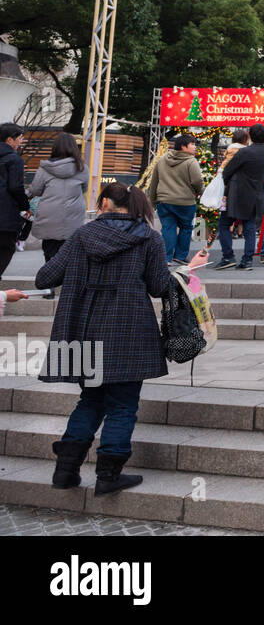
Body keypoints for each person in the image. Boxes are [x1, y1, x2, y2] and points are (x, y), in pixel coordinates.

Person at [31, 182, 208, 494]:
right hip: (130, 330)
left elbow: (45, 278)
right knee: (123, 405)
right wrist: (186, 271)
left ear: (104, 204)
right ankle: (109, 476)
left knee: (90, 399)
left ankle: (65, 470)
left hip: (83, 328)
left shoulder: (84, 235)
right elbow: (157, 286)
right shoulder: (149, 238)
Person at [28, 132, 91, 268]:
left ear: (55, 148)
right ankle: (67, 283)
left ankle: (50, 282)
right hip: (73, 214)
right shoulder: (82, 168)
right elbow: (84, 189)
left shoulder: (45, 168)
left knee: (50, 250)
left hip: (49, 214)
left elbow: (36, 190)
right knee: (69, 251)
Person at [215, 123, 264, 270]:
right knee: (249, 227)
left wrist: (228, 183)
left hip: (237, 192)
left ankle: (228, 256)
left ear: (250, 135)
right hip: (256, 193)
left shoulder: (245, 152)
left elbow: (227, 171)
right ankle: (247, 260)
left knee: (224, 224)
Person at [147, 134, 203, 265]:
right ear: (184, 146)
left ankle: (166, 258)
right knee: (186, 228)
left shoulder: (162, 160)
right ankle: (180, 256)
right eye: (193, 144)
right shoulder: (191, 161)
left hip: (164, 201)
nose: (195, 147)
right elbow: (197, 181)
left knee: (168, 228)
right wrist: (201, 192)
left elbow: (154, 182)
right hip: (185, 202)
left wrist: (152, 201)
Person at [0, 123, 29, 282]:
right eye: (19, 138)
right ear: (9, 139)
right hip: (5, 216)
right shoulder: (14, 159)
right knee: (6, 248)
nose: (21, 141)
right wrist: (25, 206)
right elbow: (15, 187)